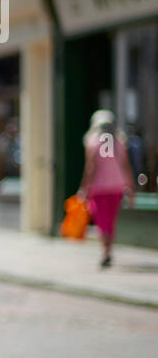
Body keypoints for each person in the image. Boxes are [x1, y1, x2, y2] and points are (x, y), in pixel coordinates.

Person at [77, 109, 136, 268]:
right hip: (117, 186)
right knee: (110, 220)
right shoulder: (119, 142)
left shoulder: (93, 142)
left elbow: (90, 167)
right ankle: (108, 250)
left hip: (99, 187)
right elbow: (126, 166)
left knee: (102, 221)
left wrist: (83, 188)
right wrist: (131, 187)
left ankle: (105, 251)